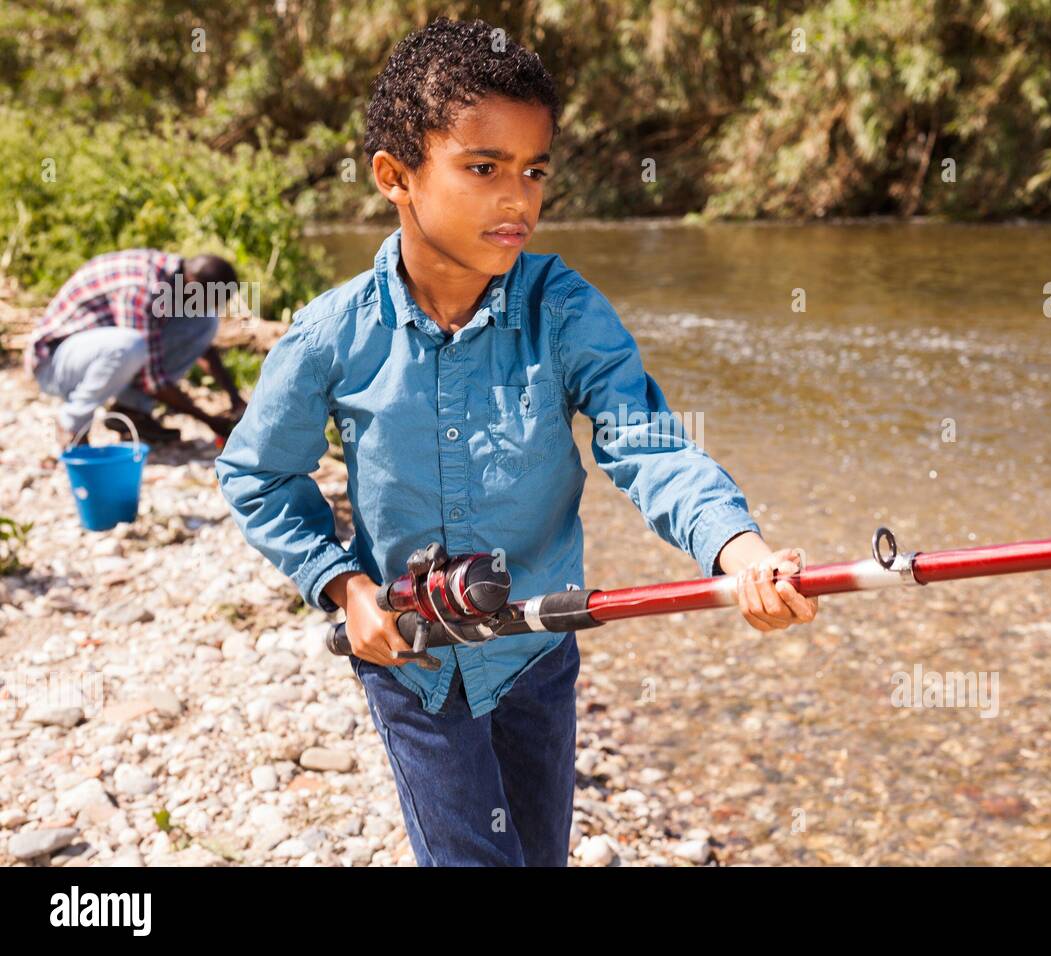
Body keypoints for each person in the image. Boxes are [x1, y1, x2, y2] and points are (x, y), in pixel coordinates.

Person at [215, 17, 819, 867]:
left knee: (538, 855)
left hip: (538, 655)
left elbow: (644, 444)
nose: (519, 199)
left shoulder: (564, 308)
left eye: (535, 170)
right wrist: (344, 586)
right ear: (396, 176)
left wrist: (739, 550)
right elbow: (257, 475)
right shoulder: (329, 335)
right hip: (415, 671)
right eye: (484, 168)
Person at [25, 249, 246, 448]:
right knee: (130, 345)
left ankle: (131, 410)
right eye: (208, 300)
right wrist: (209, 420)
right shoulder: (143, 288)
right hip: (54, 363)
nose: (208, 306)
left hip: (96, 351)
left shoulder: (177, 276)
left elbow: (203, 349)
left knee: (205, 322)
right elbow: (151, 380)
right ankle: (71, 425)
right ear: (193, 285)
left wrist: (235, 398)